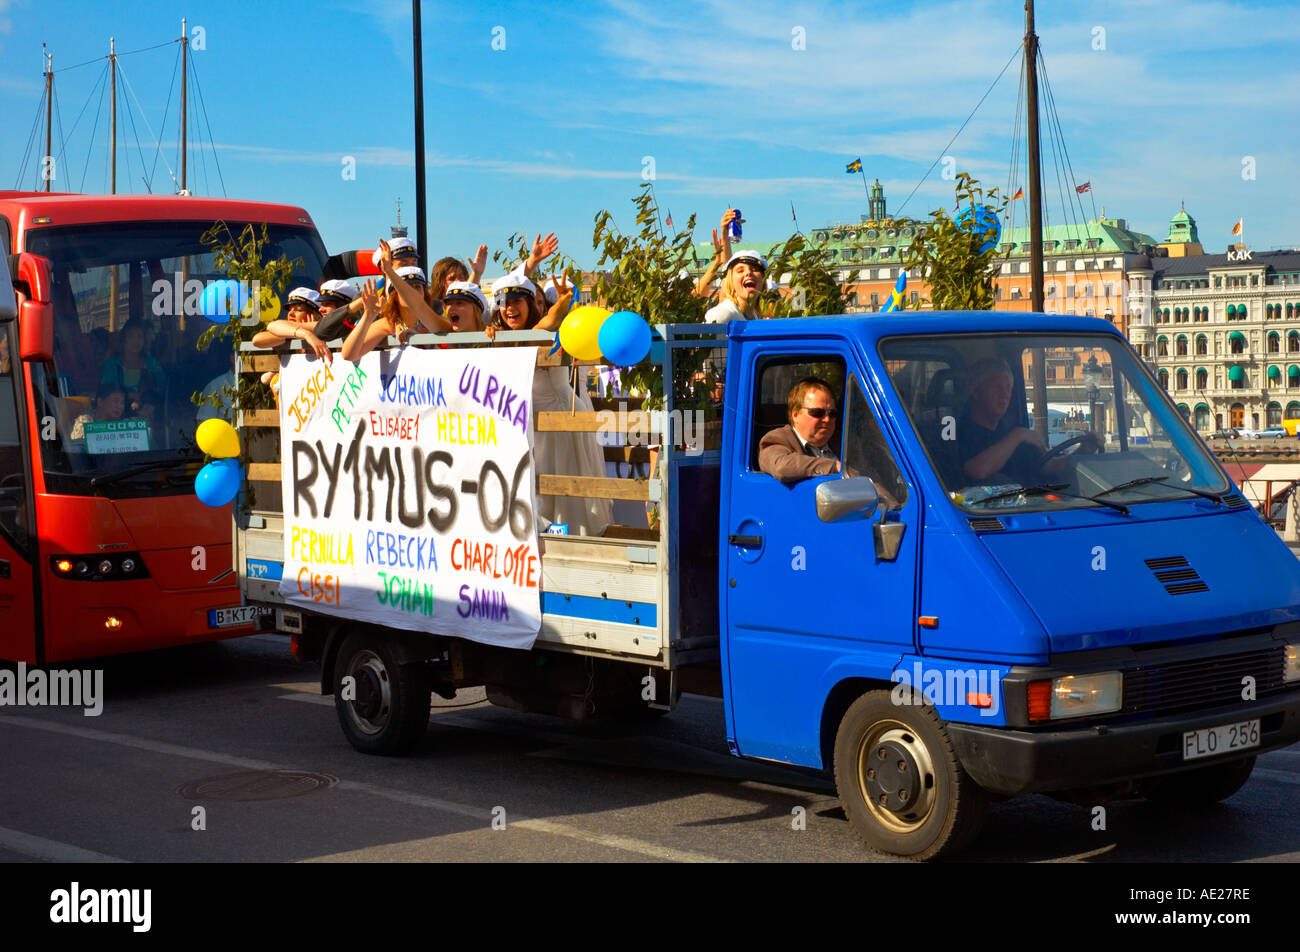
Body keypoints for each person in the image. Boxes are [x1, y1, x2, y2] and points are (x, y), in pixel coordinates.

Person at [490, 271, 610, 536]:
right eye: (504, 303)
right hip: (529, 424)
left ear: (530, 304)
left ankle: (571, 541)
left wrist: (563, 303)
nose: (509, 309)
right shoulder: (498, 336)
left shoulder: (544, 331)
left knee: (565, 493)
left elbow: (547, 322)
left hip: (559, 420)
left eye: (517, 302)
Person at [957, 357, 1098, 484]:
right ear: (975, 391)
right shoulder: (960, 431)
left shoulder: (1009, 429)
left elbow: (1047, 466)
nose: (1004, 395)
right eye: (997, 387)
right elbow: (977, 471)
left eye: (1008, 388)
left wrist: (1081, 453)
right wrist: (1018, 436)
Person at [759, 378, 842, 483]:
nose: (827, 419)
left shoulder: (844, 442)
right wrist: (833, 467)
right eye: (817, 412)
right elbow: (782, 467)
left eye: (832, 413)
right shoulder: (776, 439)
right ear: (795, 415)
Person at [100, 318, 166, 399]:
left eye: (140, 336)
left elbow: (163, 386)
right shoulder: (112, 363)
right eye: (131, 336)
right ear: (124, 339)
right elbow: (107, 391)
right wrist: (129, 396)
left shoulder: (152, 362)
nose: (136, 341)